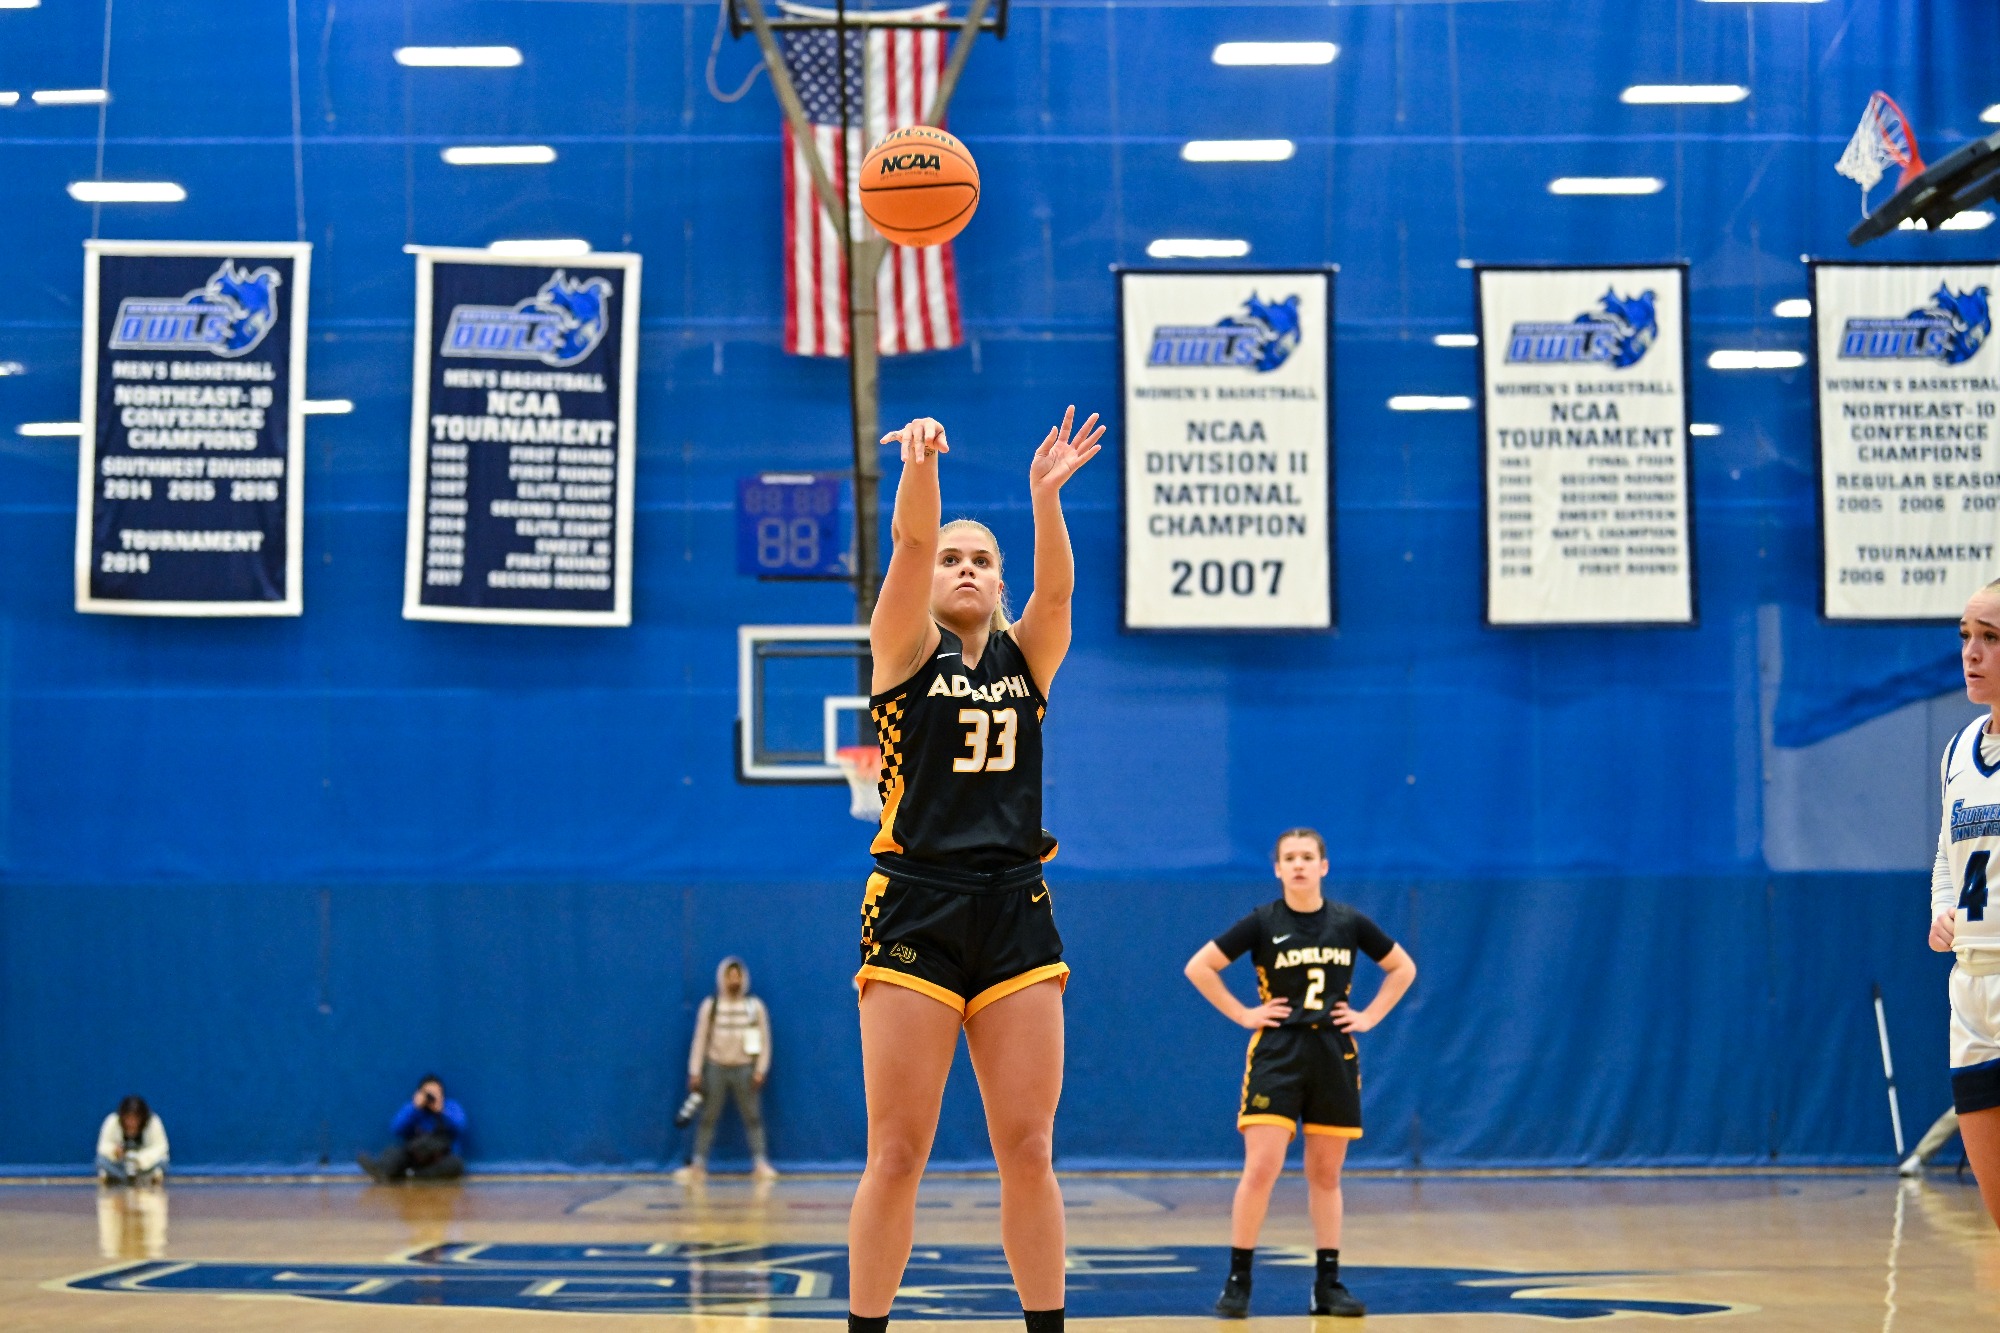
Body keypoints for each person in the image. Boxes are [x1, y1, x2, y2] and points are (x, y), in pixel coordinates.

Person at [846, 407, 1102, 1333]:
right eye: (956, 557)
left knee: (1028, 1147)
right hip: (917, 902)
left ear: (999, 587)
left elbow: (1062, 597)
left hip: (1016, 909)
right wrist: (922, 468)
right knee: (898, 1150)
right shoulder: (902, 650)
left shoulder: (1026, 659)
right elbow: (913, 537)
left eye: (980, 561)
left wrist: (1045, 502)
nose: (962, 566)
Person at [1184, 828, 1418, 1319]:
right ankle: (1238, 1281)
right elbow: (1200, 967)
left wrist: (1370, 1016)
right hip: (1279, 1052)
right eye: (1289, 857)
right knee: (1262, 1167)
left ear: (1323, 866)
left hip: (1333, 1052)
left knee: (1326, 1174)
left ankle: (1327, 1285)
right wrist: (1245, 1013)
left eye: (1307, 857)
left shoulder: (1348, 922)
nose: (1298, 865)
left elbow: (1403, 967)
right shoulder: (1263, 922)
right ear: (1277, 868)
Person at [1924, 579, 2000, 1227]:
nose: (1971, 652)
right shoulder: (1958, 749)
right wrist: (1941, 910)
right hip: (1969, 992)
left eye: (1991, 638)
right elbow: (1946, 854)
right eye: (1965, 636)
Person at [676, 955, 777, 1181]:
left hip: (745, 1069)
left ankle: (760, 1163)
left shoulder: (754, 1007)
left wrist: (761, 1069)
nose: (734, 981)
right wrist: (695, 1071)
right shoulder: (710, 1007)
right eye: (729, 976)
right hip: (715, 1068)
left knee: (753, 1117)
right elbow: (700, 1040)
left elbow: (765, 1040)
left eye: (737, 976)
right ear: (722, 979)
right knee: (708, 1117)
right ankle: (699, 1164)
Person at [358, 1074, 466, 1182]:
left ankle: (414, 1176)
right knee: (393, 1152)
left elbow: (460, 1126)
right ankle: (381, 1170)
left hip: (438, 1157)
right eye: (428, 1094)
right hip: (414, 1155)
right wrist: (414, 1108)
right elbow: (395, 1128)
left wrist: (441, 1111)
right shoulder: (412, 1108)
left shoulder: (450, 1107)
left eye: (435, 1094)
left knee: (455, 1164)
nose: (431, 1098)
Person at [95, 1095, 169, 1186]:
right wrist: (114, 1151)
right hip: (121, 1164)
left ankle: (143, 1177)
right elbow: (102, 1146)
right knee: (101, 1161)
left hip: (144, 1166)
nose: (132, 1122)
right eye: (128, 1118)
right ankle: (121, 1177)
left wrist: (139, 1159)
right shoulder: (112, 1121)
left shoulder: (153, 1122)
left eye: (136, 1118)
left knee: (163, 1162)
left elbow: (161, 1147)